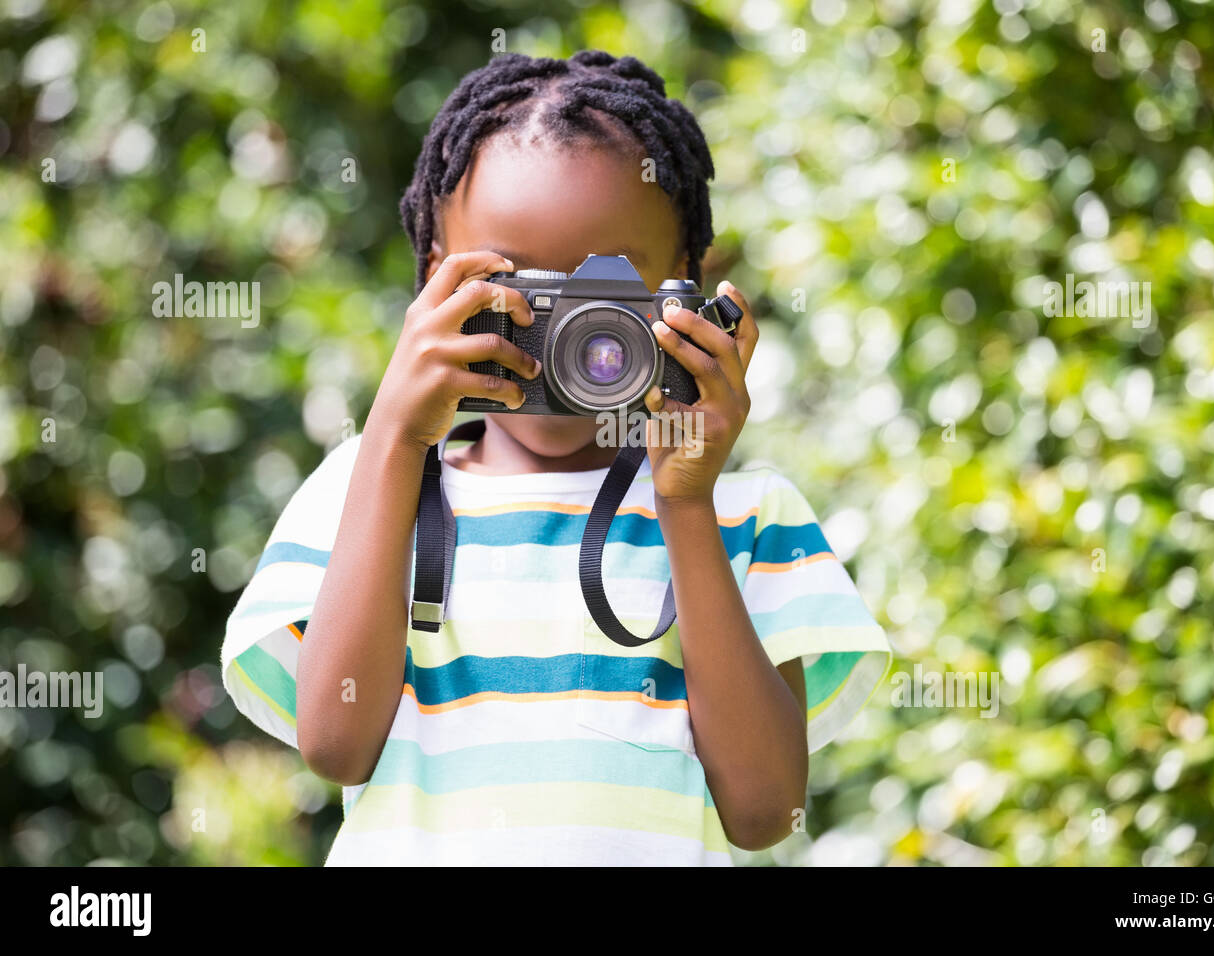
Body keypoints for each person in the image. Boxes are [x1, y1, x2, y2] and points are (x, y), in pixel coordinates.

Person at [220, 50, 891, 865]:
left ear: (687, 285)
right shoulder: (363, 489)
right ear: (433, 281)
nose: (568, 339)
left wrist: (683, 501)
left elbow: (763, 811)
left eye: (607, 297)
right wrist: (396, 436)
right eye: (517, 289)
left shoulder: (745, 515)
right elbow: (333, 744)